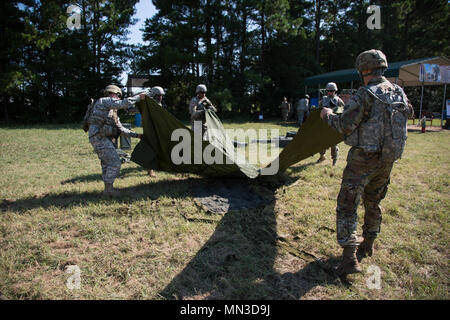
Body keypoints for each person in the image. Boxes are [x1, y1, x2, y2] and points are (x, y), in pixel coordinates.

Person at [320, 49, 414, 278]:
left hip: (363, 161)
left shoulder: (366, 93)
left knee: (347, 205)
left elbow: (344, 126)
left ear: (364, 70)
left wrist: (327, 115)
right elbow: (409, 113)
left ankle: (349, 259)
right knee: (373, 202)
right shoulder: (398, 91)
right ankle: (368, 243)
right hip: (387, 160)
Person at [87, 85, 145, 195]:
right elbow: (122, 104)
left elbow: (121, 129)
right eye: (118, 96)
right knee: (115, 162)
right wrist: (138, 97)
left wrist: (137, 135)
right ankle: (109, 189)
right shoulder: (104, 101)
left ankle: (108, 189)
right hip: (100, 137)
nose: (118, 98)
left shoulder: (112, 112)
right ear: (113, 93)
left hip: (101, 137)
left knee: (106, 163)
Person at [317, 82, 345, 166]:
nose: (330, 92)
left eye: (332, 91)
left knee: (333, 143)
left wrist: (336, 110)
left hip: (334, 124)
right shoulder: (324, 99)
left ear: (335, 91)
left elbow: (343, 110)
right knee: (322, 142)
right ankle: (322, 156)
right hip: (324, 124)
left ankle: (334, 160)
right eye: (328, 91)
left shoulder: (339, 100)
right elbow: (319, 109)